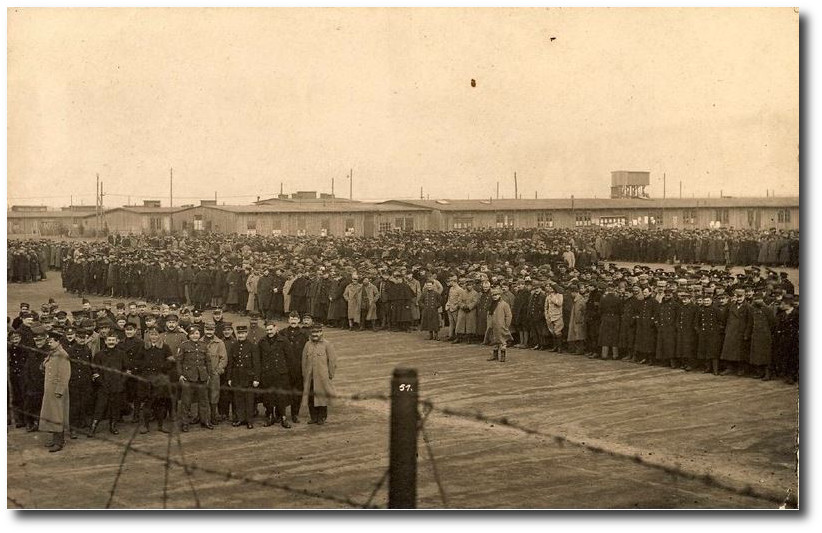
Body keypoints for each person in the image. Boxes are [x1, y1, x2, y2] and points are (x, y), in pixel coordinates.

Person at [134, 327, 174, 433]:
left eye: (156, 335)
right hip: (146, 379)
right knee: (147, 402)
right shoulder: (144, 346)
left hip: (160, 378)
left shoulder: (165, 347)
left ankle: (160, 425)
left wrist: (162, 366)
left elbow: (171, 362)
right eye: (151, 334)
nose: (154, 337)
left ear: (159, 335)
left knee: (160, 402)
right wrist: (145, 367)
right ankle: (145, 426)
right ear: (148, 336)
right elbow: (137, 361)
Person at [90, 332, 129, 437]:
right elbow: (94, 368)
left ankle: (113, 426)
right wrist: (100, 382)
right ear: (105, 341)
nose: (111, 342)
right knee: (100, 406)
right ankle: (93, 427)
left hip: (117, 385)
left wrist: (122, 381)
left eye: (113, 340)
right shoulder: (99, 354)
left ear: (116, 341)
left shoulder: (122, 354)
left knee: (115, 407)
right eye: (109, 340)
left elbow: (126, 369)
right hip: (103, 385)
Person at [176, 326, 213, 432]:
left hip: (202, 377)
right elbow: (179, 361)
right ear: (188, 335)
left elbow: (208, 361)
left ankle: (205, 421)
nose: (194, 336)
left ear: (200, 335)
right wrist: (180, 375)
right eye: (192, 333)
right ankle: (185, 423)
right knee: (186, 401)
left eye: (196, 333)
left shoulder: (204, 345)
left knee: (204, 400)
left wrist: (208, 374)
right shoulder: (184, 345)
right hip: (188, 377)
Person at [40, 330, 71, 452]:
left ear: (58, 342)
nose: (49, 343)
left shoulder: (62, 355)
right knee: (53, 415)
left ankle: (59, 442)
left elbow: (65, 374)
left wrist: (59, 390)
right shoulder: (53, 353)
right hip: (50, 390)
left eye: (51, 341)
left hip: (57, 391)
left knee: (58, 415)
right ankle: (55, 439)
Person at [257, 322, 292, 429]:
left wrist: (287, 372)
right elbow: (259, 359)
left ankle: (283, 418)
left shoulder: (283, 341)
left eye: (270, 330)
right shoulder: (262, 342)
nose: (269, 332)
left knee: (281, 397)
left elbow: (289, 358)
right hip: (267, 374)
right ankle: (270, 416)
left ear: (276, 329)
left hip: (280, 374)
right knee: (268, 397)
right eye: (267, 330)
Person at [301, 324, 337, 425]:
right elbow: (304, 360)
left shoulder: (327, 344)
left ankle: (322, 417)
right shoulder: (307, 345)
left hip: (322, 377)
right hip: (310, 377)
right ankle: (313, 417)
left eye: (317, 332)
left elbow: (332, 361)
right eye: (313, 332)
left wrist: (330, 374)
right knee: (311, 398)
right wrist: (304, 374)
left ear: (321, 332)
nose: (315, 334)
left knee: (321, 397)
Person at [226, 325, 260, 429]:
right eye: (239, 333)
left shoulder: (252, 346)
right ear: (236, 334)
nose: (241, 335)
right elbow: (230, 363)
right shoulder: (234, 346)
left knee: (249, 400)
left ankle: (249, 420)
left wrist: (256, 378)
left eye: (243, 333)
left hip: (248, 377)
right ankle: (240, 419)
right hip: (237, 377)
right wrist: (229, 378)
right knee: (238, 399)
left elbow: (256, 364)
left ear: (246, 334)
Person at [280, 311, 308, 423]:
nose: (293, 320)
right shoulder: (282, 333)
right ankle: (281, 415)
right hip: (285, 368)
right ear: (288, 320)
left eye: (295, 319)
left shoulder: (304, 335)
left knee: (297, 392)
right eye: (291, 318)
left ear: (299, 320)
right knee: (283, 391)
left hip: (298, 368)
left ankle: (295, 414)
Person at [202, 322, 227, 425]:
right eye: (207, 329)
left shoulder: (219, 343)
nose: (209, 332)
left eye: (211, 330)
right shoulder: (199, 341)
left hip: (213, 373)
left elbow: (224, 358)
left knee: (214, 395)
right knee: (202, 395)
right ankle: (203, 417)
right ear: (204, 330)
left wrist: (218, 370)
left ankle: (213, 416)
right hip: (202, 374)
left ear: (214, 331)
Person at [484, 287, 512, 362]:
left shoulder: (504, 304)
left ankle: (503, 355)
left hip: (501, 326)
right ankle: (495, 355)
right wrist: (489, 324)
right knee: (495, 340)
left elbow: (508, 315)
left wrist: (506, 325)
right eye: (493, 295)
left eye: (496, 294)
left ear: (500, 295)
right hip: (493, 326)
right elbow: (489, 315)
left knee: (502, 341)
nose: (495, 296)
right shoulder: (491, 304)